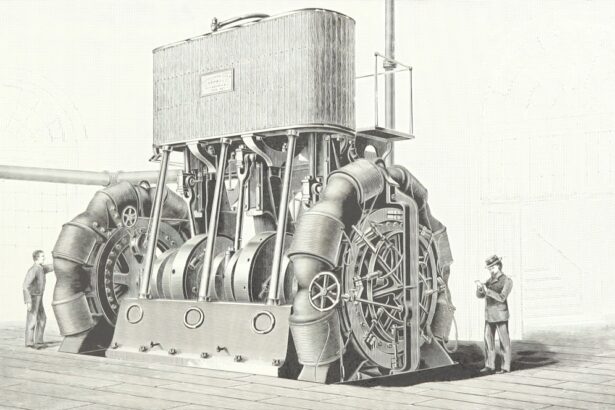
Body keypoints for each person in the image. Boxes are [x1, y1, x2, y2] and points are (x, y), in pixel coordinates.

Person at [476, 254, 513, 374]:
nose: (491, 270)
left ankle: (505, 367)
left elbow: (502, 297)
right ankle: (489, 365)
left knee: (504, 341)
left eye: (492, 267)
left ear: (499, 266)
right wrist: (480, 288)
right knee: (488, 340)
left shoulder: (507, 280)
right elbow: (480, 296)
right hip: (489, 315)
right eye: (489, 268)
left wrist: (488, 291)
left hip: (500, 316)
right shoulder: (489, 280)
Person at [23, 250, 54, 349]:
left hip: (39, 297)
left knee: (42, 319)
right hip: (33, 298)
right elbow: (25, 286)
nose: (44, 258)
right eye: (42, 256)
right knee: (32, 320)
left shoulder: (41, 268)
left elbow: (51, 267)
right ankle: (29, 343)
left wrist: (58, 261)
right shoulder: (34, 269)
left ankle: (39, 341)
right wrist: (28, 301)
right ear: (36, 258)